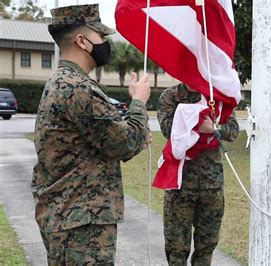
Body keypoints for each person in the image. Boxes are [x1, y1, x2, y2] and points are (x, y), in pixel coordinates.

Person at [32, 4, 151, 265]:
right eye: (101, 37)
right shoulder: (78, 88)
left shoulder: (60, 81)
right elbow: (125, 143)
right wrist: (139, 103)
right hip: (81, 220)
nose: (106, 43)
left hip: (68, 216)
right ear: (82, 41)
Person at [157, 83, 239, 265]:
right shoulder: (171, 96)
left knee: (206, 246)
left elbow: (233, 131)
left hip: (211, 184)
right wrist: (195, 124)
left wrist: (213, 128)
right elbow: (167, 130)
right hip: (180, 185)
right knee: (176, 248)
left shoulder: (216, 96)